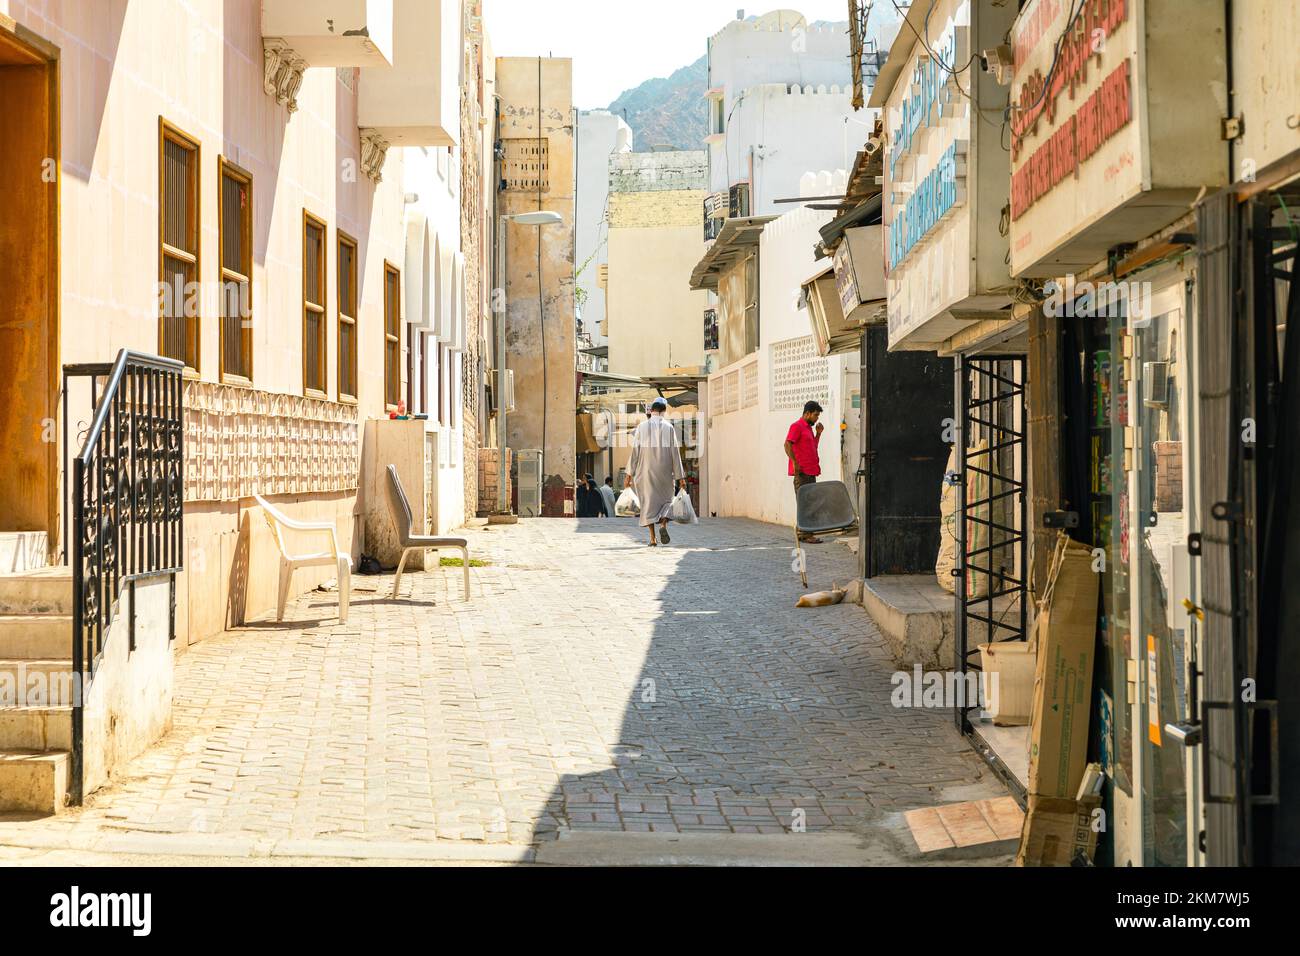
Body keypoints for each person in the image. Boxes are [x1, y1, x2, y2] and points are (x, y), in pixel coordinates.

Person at [626, 397, 686, 546]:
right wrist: (681, 477)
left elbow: (635, 452)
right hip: (665, 474)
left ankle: (652, 539)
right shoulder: (669, 427)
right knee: (666, 503)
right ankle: (663, 525)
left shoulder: (642, 427)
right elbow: (675, 453)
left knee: (648, 505)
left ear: (651, 411)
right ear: (664, 411)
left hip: (645, 473)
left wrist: (629, 474)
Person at [785, 400, 825, 543]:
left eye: (818, 416)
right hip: (802, 473)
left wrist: (818, 434)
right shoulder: (796, 426)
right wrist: (795, 462)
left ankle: (804, 533)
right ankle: (806, 535)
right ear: (807, 413)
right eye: (815, 415)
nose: (816, 418)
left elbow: (813, 446)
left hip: (811, 471)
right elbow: (787, 444)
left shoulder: (808, 428)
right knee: (805, 504)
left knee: (809, 503)